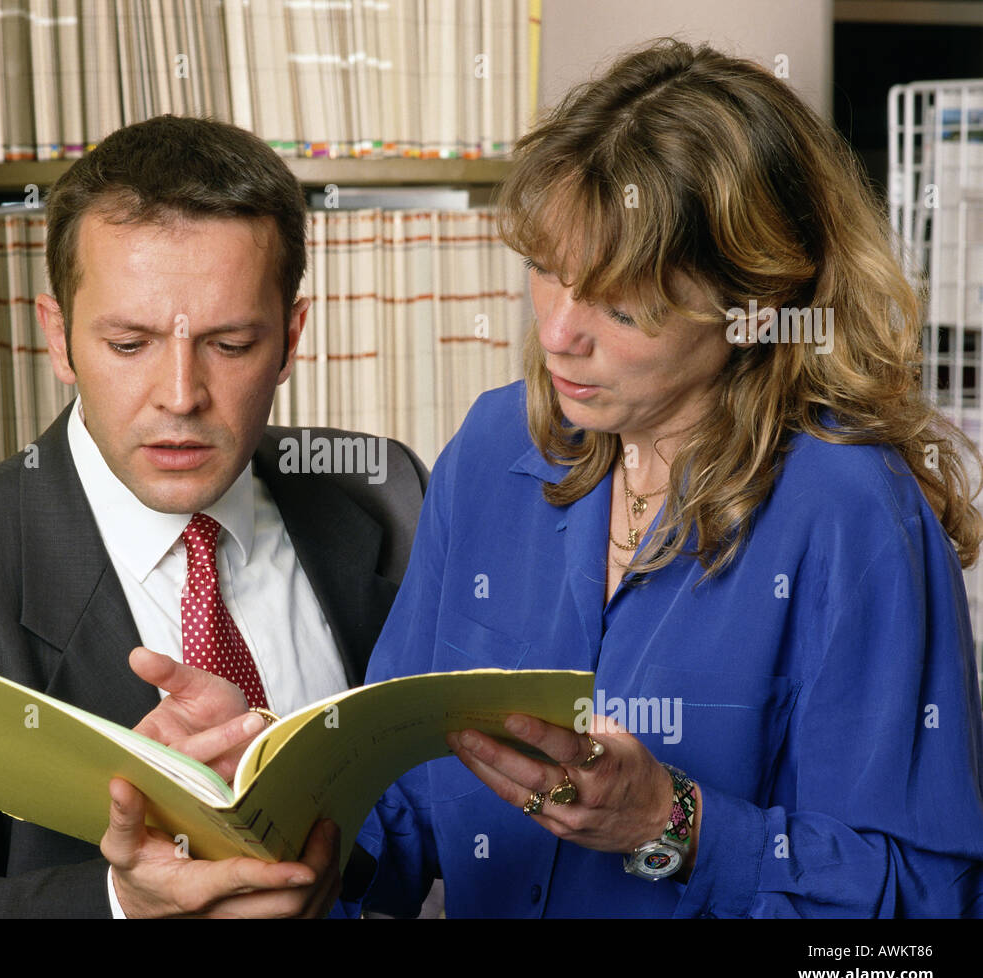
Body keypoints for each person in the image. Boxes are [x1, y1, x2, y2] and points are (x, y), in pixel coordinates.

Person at [335, 39, 983, 917]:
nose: (560, 331)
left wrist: (671, 822)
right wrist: (269, 818)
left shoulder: (852, 511)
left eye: (621, 301)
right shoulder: (495, 444)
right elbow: (400, 795)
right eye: (546, 271)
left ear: (755, 301)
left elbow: (919, 915)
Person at [0, 115, 428, 918]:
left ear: (291, 338)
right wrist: (122, 904)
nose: (181, 395)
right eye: (131, 343)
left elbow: (432, 810)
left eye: (231, 343)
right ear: (59, 338)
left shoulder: (385, 497)